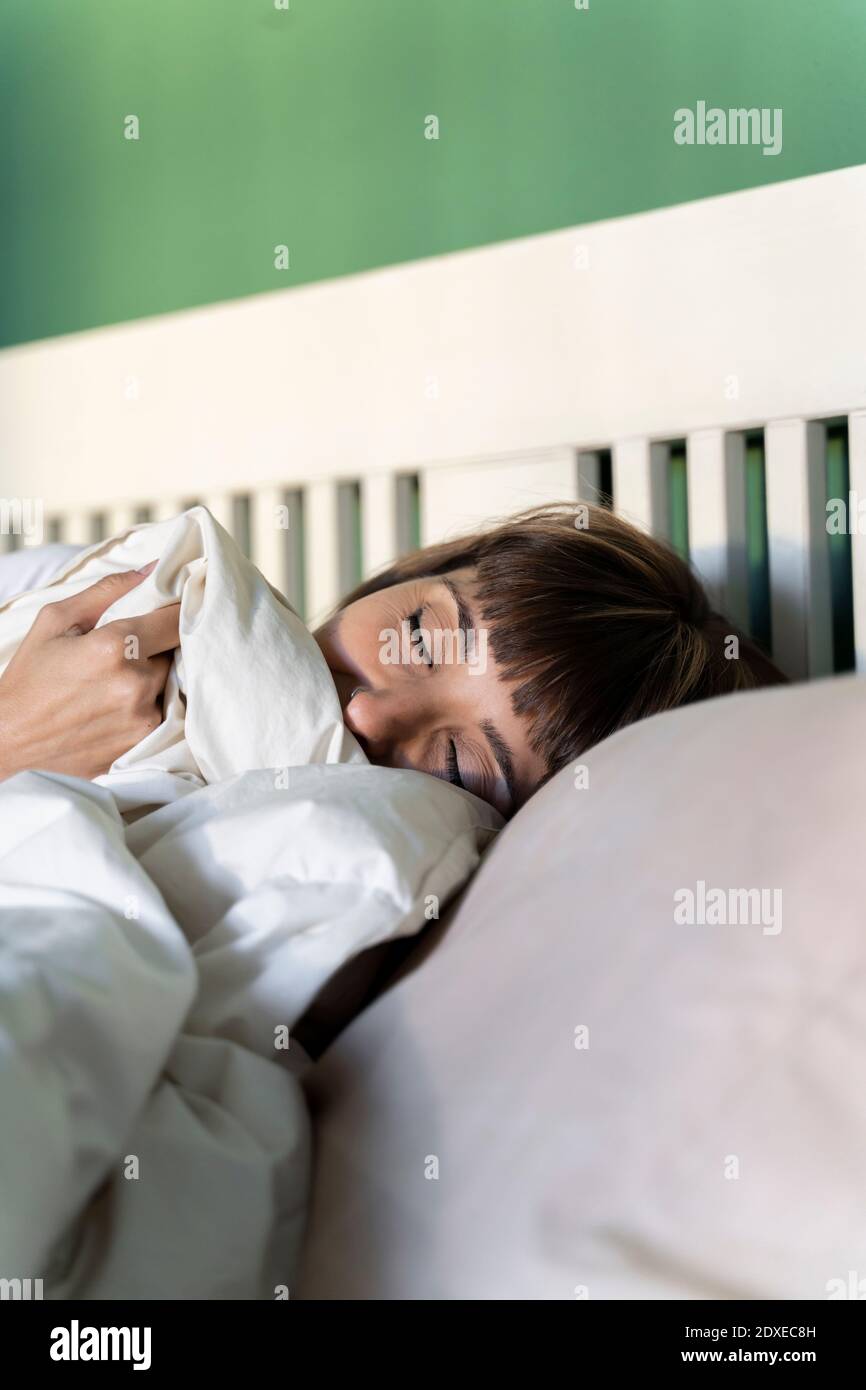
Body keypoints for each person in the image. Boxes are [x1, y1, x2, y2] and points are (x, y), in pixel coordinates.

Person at [0, 503, 786, 813]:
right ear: (407, 578)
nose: (369, 713)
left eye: (452, 763)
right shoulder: (87, 597)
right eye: (417, 635)